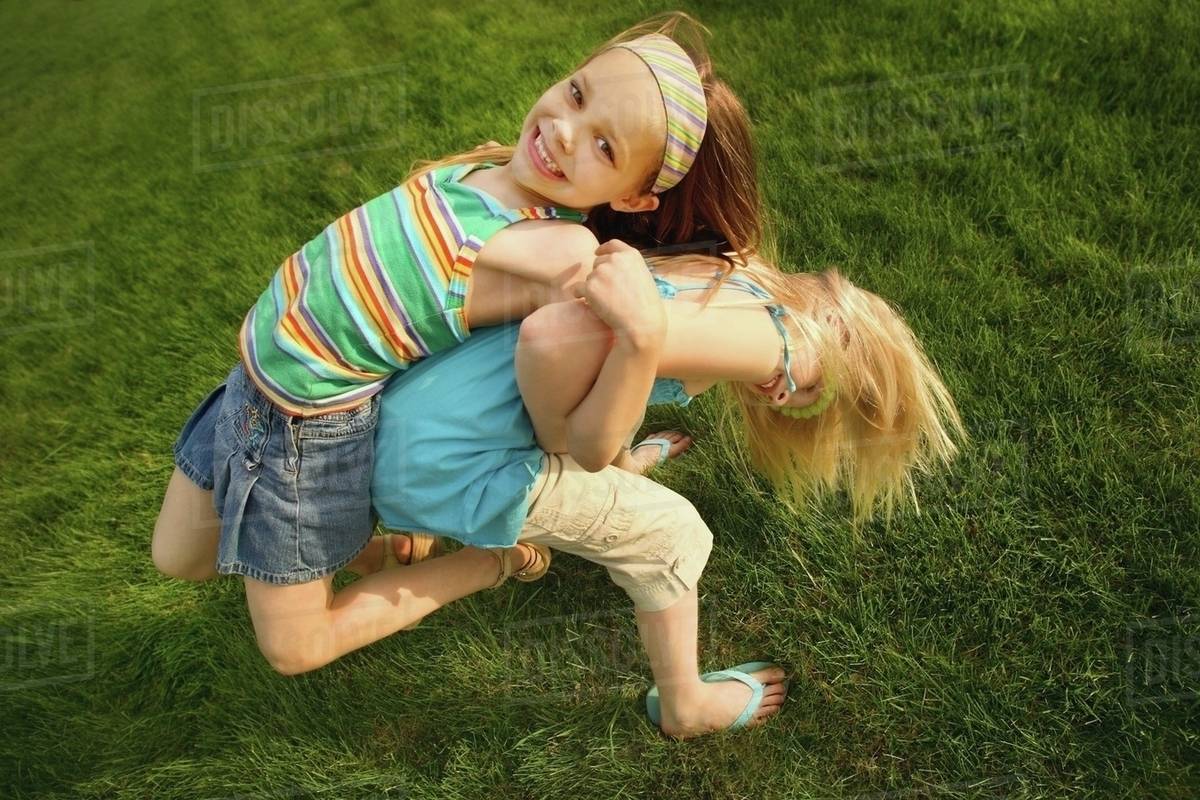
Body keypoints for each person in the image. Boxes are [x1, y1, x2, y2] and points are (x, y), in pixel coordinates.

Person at [151, 13, 766, 684]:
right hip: (249, 387)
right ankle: (356, 547)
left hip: (304, 434)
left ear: (633, 197)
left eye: (604, 147)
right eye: (578, 94)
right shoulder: (483, 169)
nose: (563, 130)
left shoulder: (561, 247)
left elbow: (585, 335)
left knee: (295, 647)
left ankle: (487, 561)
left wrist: (661, 345)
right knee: (180, 558)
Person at [357, 242, 965, 738]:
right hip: (451, 464)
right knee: (670, 534)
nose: (786, 398)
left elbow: (616, 370)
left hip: (416, 415)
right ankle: (686, 707)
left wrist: (611, 459)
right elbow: (564, 343)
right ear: (831, 323)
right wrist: (564, 446)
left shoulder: (737, 272)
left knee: (606, 453)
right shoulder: (779, 340)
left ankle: (414, 535)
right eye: (814, 388)